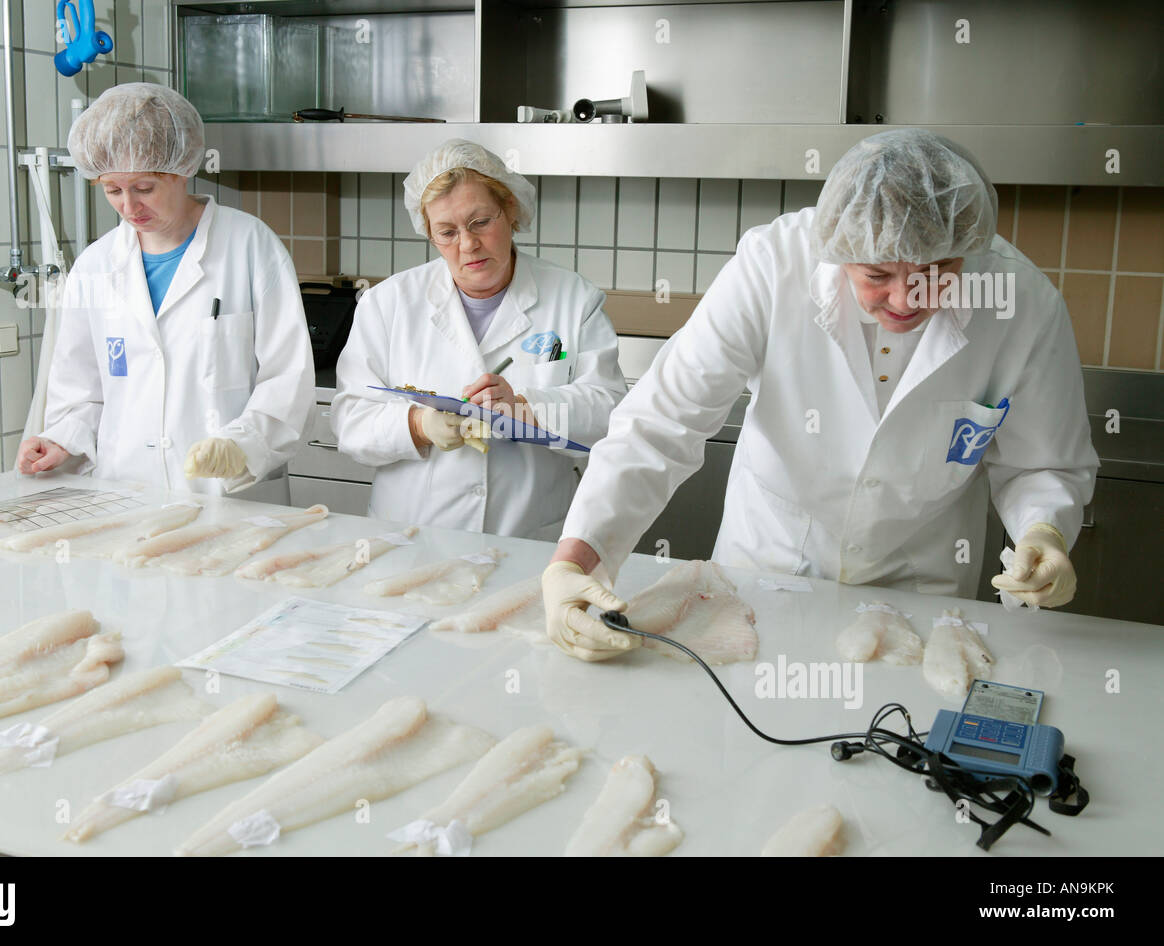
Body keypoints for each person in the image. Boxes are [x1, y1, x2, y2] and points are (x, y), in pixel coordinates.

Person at [542, 129, 1099, 661]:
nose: (906, 299)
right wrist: (577, 560)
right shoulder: (773, 266)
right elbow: (661, 424)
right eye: (877, 274)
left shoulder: (1021, 300)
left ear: (966, 248)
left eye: (935, 271)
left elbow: (1042, 464)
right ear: (838, 249)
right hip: (766, 571)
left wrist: (1044, 530)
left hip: (920, 592)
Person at [15, 83, 316, 505]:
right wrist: (60, 441)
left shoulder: (250, 246)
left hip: (229, 498)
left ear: (181, 169)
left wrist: (241, 447)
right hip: (125, 496)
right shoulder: (95, 266)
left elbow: (288, 379)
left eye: (144, 188)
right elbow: (79, 392)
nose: (128, 207)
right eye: (112, 190)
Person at [331, 139, 627, 539]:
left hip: (527, 536)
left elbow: (610, 410)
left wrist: (526, 410)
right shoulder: (387, 304)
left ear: (510, 210)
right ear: (430, 234)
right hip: (410, 536)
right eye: (447, 232)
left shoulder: (574, 300)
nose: (468, 245)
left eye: (481, 222)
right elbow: (351, 420)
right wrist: (419, 424)